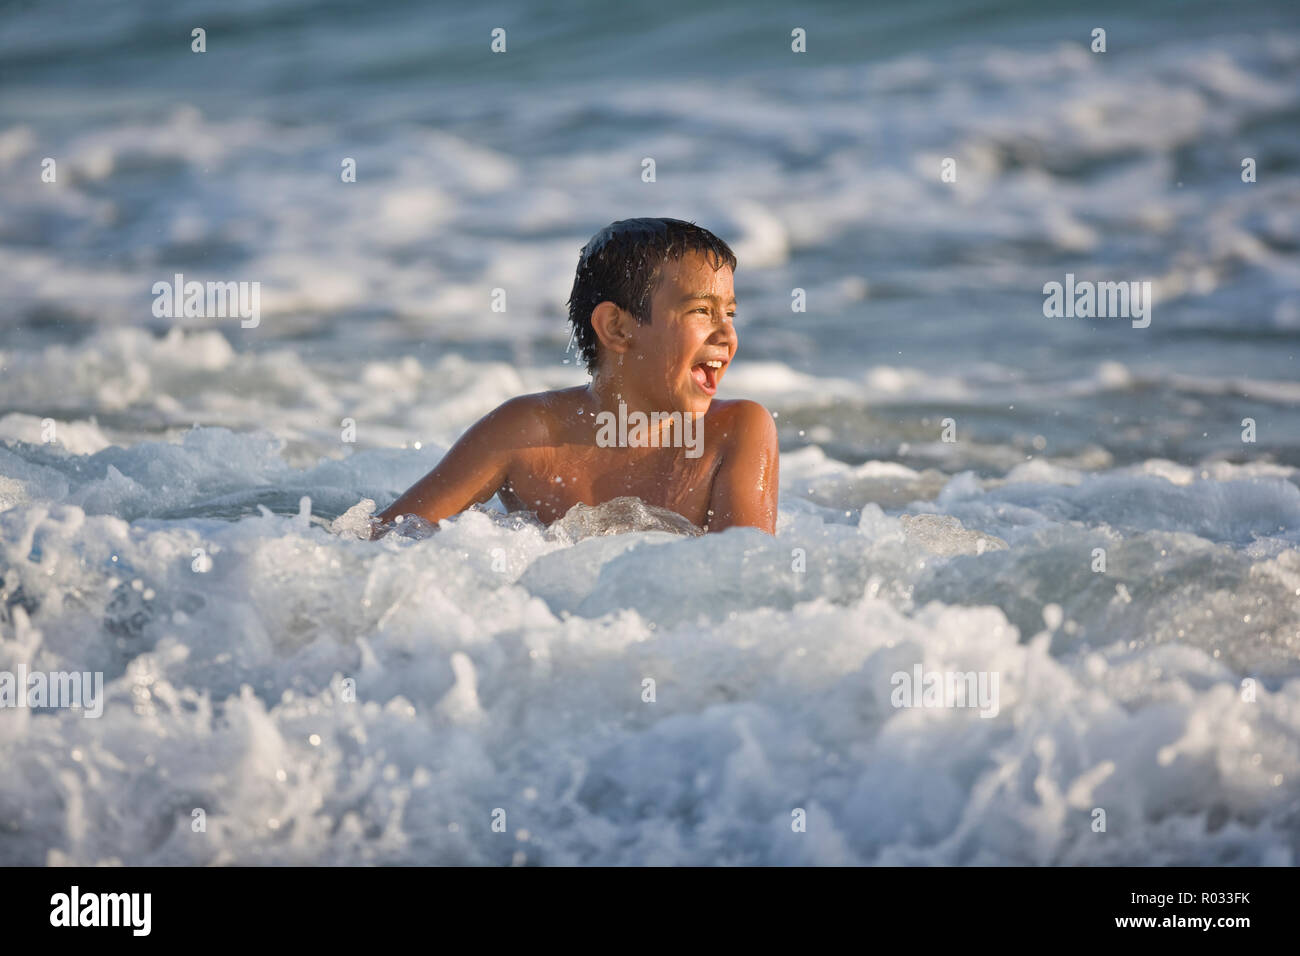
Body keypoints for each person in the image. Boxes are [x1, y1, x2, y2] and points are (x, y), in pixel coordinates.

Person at [373, 218, 778, 536]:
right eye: (702, 311)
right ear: (617, 328)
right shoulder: (527, 435)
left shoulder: (736, 431)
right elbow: (383, 541)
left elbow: (744, 581)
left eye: (730, 313)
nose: (727, 335)